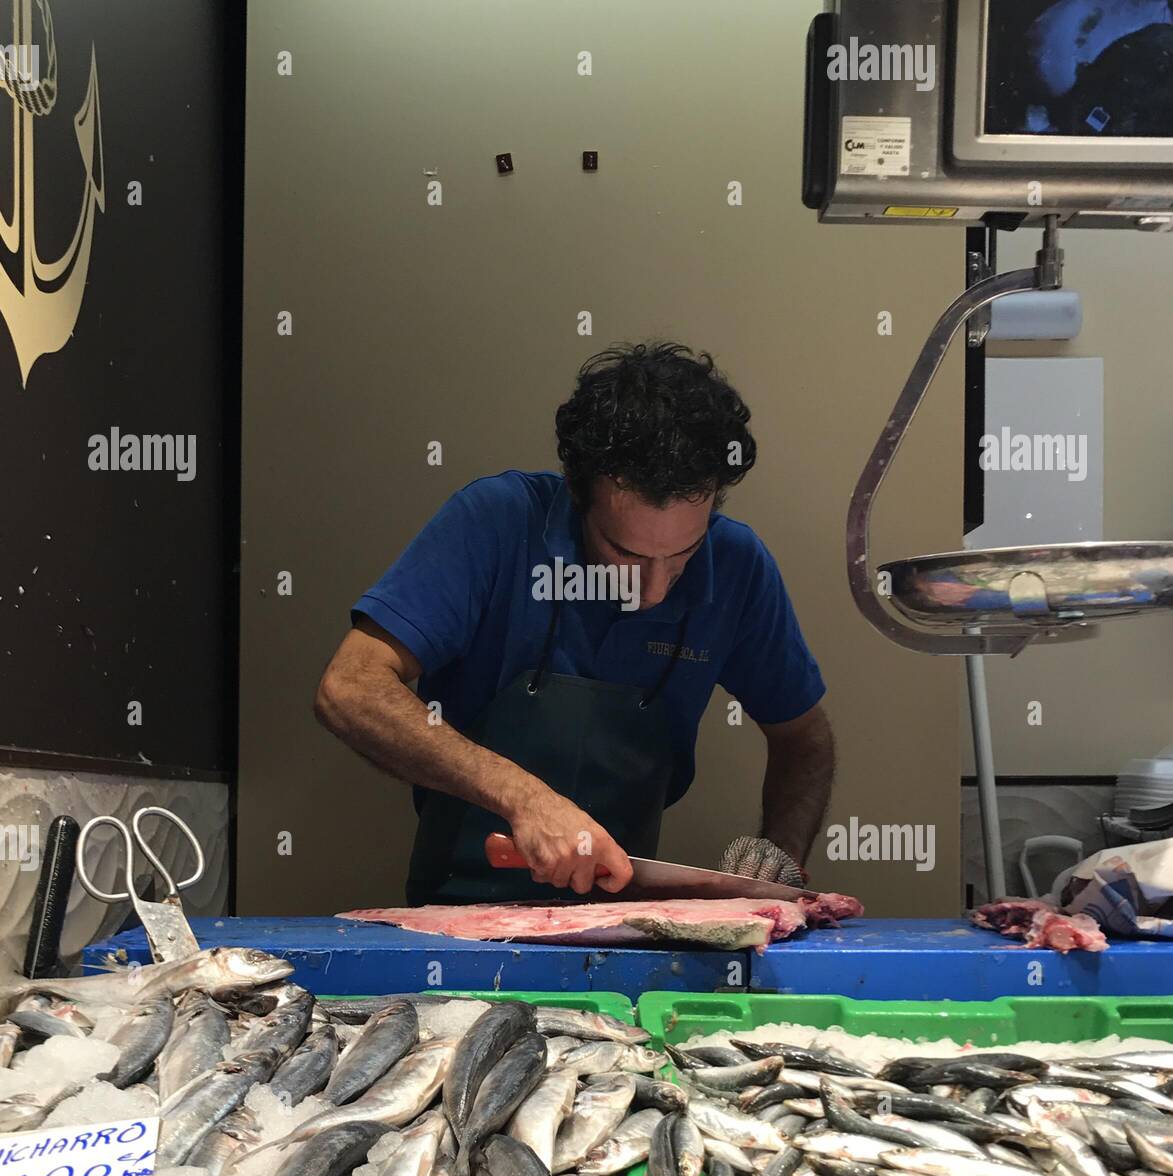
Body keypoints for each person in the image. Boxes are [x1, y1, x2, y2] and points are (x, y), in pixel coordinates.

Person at [315, 341, 835, 905]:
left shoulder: (739, 565)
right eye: (627, 554)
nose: (654, 590)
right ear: (576, 491)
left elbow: (803, 739)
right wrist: (526, 799)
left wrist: (780, 853)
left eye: (683, 553)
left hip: (625, 919)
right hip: (460, 914)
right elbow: (350, 687)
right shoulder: (497, 522)